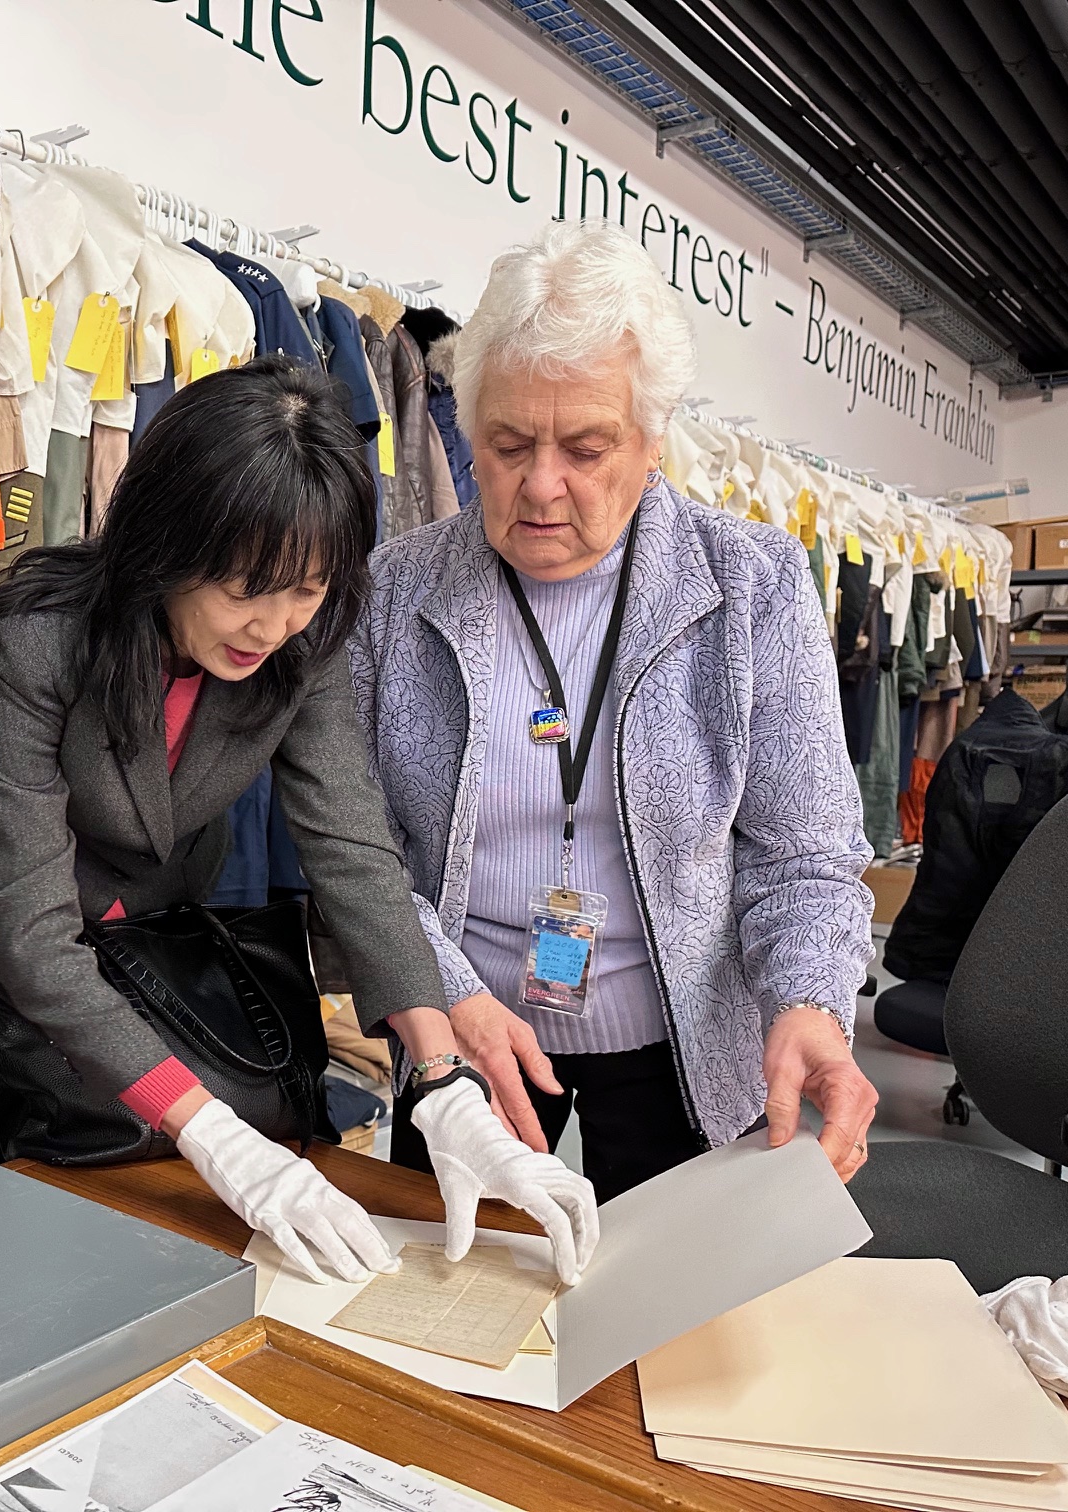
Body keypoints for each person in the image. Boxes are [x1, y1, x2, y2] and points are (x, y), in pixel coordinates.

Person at [0, 358, 600, 1288]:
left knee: (144, 1228)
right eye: (244, 587)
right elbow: (29, 933)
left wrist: (440, 1074)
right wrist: (212, 1129)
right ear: (167, 544)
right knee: (9, 1214)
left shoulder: (303, 640)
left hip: (150, 925)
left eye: (306, 590)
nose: (272, 624)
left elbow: (351, 847)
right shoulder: (40, 638)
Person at [351, 221, 880, 1204]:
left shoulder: (751, 585)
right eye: (508, 445)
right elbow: (355, 849)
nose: (542, 485)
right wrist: (443, 991)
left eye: (586, 448)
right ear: (467, 431)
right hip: (469, 1037)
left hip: (688, 1049)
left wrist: (809, 1000)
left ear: (652, 440)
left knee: (679, 1332)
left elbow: (804, 849)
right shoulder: (395, 592)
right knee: (463, 1303)